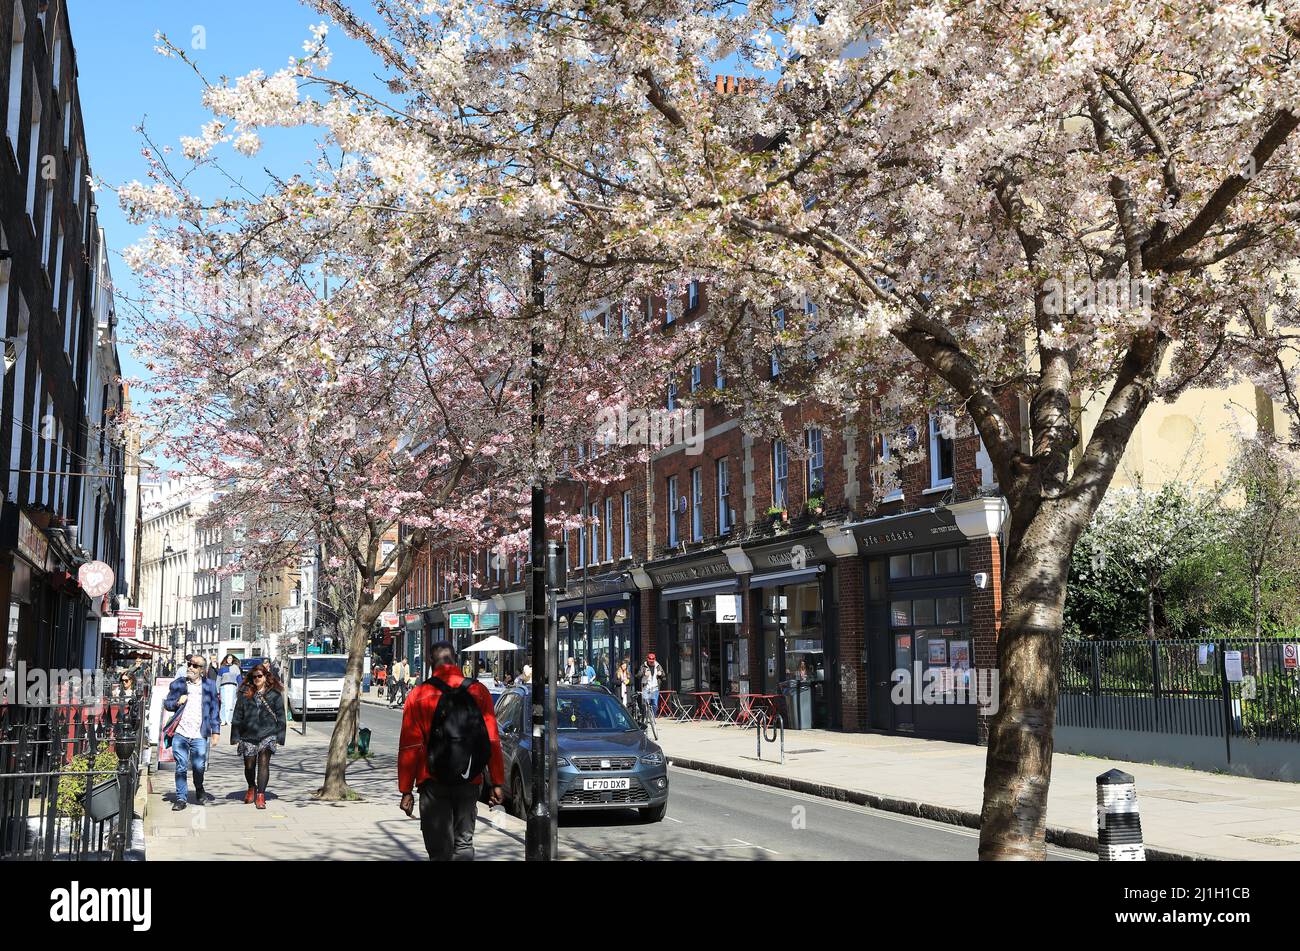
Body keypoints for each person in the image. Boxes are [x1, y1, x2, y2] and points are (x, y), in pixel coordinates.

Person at [398, 641, 504, 861]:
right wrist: (497, 782)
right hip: (469, 780)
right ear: (455, 659)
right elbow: (492, 740)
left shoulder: (418, 695)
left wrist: (405, 789)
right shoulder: (478, 691)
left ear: (429, 661)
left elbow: (410, 747)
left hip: (432, 781)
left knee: (439, 851)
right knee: (464, 843)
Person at [162, 654, 222, 811]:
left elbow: (215, 709)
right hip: (180, 733)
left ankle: (199, 788)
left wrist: (216, 731)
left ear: (202, 670)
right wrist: (177, 702)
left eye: (195, 666)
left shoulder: (209, 686)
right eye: (189, 664)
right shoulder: (178, 684)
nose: (190, 667)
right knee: (181, 766)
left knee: (198, 766)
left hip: (199, 734)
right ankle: (181, 798)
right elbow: (167, 704)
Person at [231, 663, 287, 810]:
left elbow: (281, 715)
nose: (257, 679)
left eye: (259, 676)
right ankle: (251, 787)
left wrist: (281, 735)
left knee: (264, 763)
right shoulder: (244, 693)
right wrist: (235, 735)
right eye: (254, 676)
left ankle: (261, 795)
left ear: (265, 677)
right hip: (248, 734)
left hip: (268, 733)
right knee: (249, 766)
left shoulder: (274, 694)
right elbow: (237, 714)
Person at [218, 654, 242, 726]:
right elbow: (218, 680)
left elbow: (239, 679)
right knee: (224, 703)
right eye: (228, 658)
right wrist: (217, 690)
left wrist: (240, 688)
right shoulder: (222, 668)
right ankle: (223, 720)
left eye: (231, 658)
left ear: (232, 659)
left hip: (233, 686)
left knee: (231, 704)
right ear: (226, 659)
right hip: (223, 687)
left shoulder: (236, 668)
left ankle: (229, 720)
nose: (229, 659)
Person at [639, 652, 664, 717]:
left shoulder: (658, 666)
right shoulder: (643, 666)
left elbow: (664, 676)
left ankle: (652, 717)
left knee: (655, 704)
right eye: (650, 660)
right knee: (645, 704)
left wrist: (660, 674)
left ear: (654, 659)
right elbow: (638, 675)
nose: (651, 662)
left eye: (652, 660)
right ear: (647, 659)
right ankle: (645, 717)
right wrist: (644, 674)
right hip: (646, 688)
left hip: (655, 688)